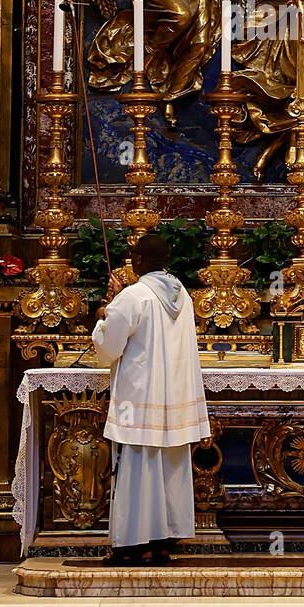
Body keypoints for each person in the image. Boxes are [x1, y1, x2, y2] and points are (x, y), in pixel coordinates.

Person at [91, 232, 210, 566]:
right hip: (173, 400)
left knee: (137, 472)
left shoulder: (135, 296)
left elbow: (108, 348)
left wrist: (104, 313)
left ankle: (133, 545)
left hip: (139, 402)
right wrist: (117, 302)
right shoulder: (181, 294)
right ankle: (161, 544)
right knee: (168, 470)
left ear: (138, 261)